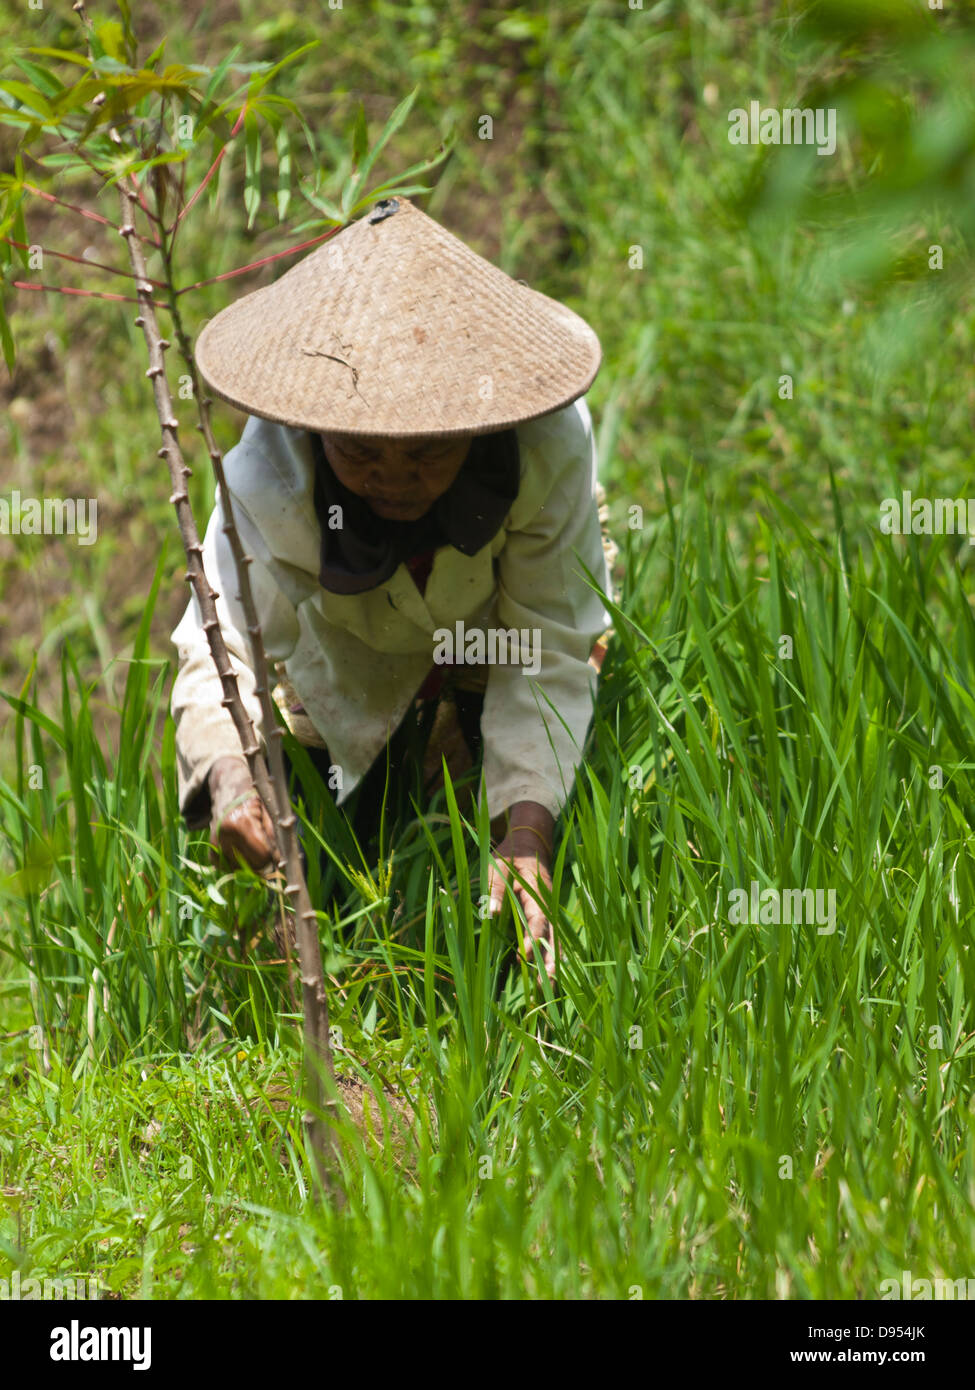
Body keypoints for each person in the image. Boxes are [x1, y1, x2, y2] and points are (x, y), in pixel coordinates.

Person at [170, 196, 613, 979]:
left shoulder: (545, 449)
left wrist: (526, 836)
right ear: (317, 430)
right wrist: (232, 778)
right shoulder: (269, 471)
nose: (395, 481)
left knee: (485, 822)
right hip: (345, 641)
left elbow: (546, 643)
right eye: (363, 455)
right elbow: (222, 639)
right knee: (333, 837)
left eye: (424, 455)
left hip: (490, 625)